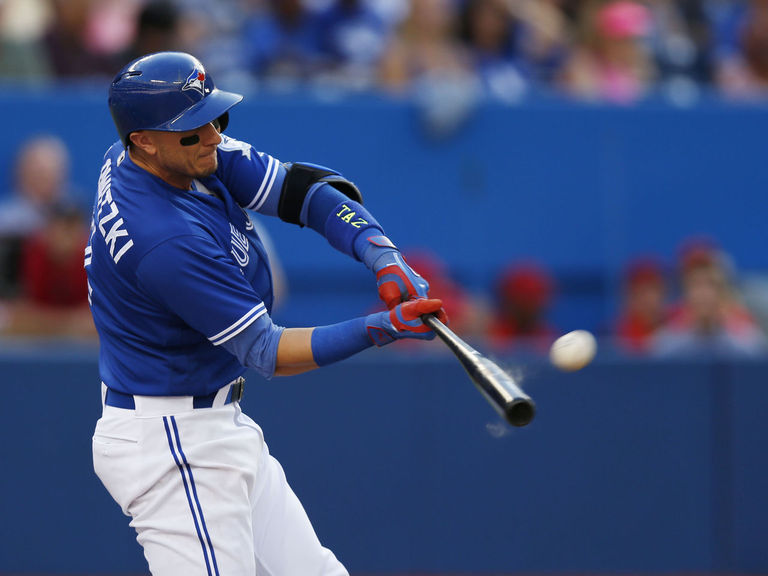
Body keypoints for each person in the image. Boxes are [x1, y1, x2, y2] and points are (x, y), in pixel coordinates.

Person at [88, 51, 446, 575]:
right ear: (143, 139)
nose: (211, 135)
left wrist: (381, 253)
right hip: (173, 444)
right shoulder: (163, 239)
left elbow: (303, 194)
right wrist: (381, 326)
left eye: (214, 117)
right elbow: (267, 350)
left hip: (211, 423)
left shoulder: (169, 152)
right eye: (192, 129)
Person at [651, 241, 767, 357]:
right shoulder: (666, 346)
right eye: (696, 285)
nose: (703, 294)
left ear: (722, 292)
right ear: (685, 293)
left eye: (710, 285)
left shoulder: (748, 343)